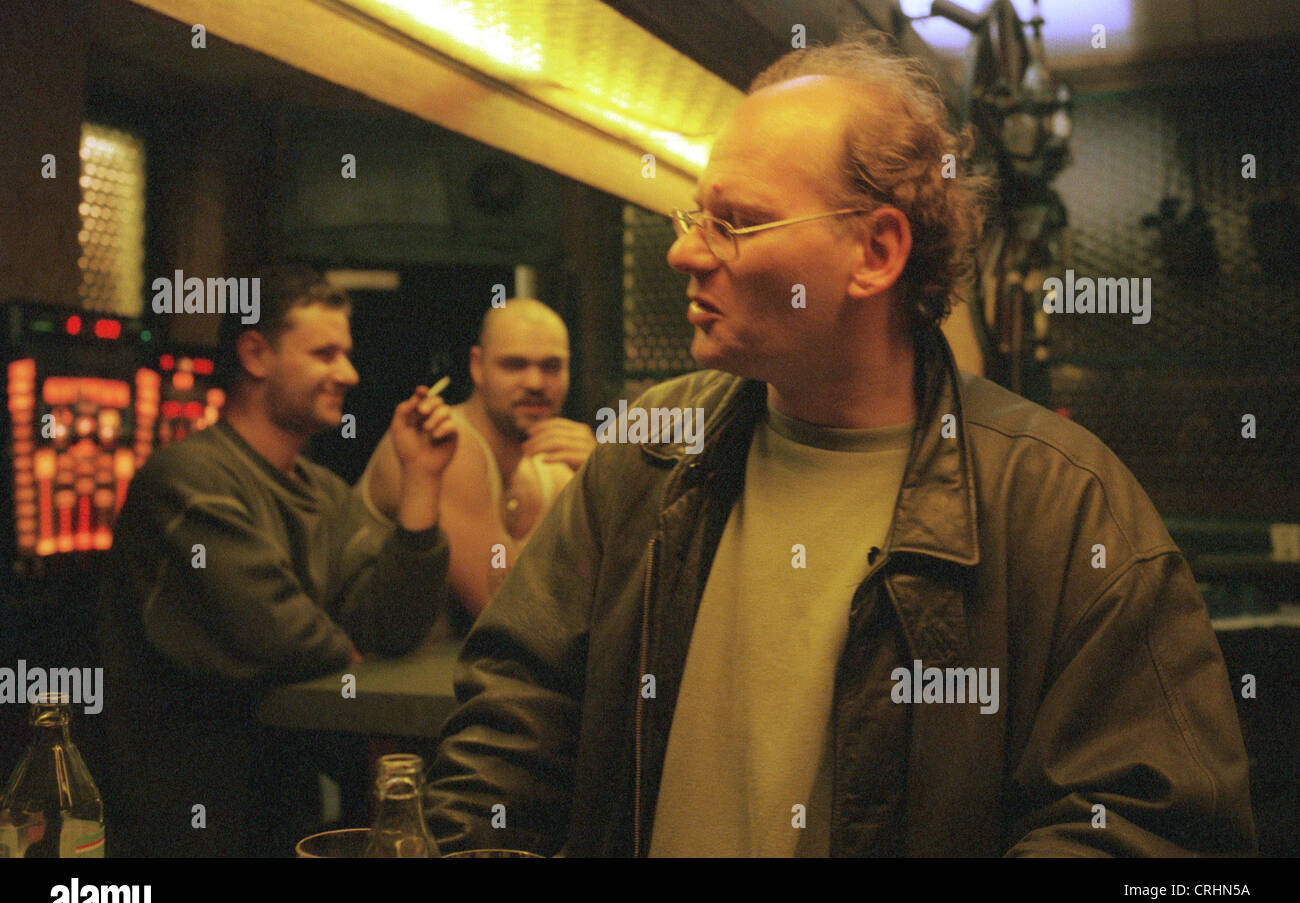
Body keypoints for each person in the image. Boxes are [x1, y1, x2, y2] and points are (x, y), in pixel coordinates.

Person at [424, 34, 1255, 857]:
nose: (684, 251)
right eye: (694, 216)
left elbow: (1159, 835)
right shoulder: (652, 446)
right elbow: (515, 717)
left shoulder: (1061, 505)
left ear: (877, 250)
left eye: (735, 223)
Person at [95, 266, 458, 857]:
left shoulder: (324, 490)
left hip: (280, 818)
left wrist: (421, 479)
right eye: (325, 353)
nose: (349, 373)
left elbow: (390, 626)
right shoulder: (188, 480)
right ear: (256, 354)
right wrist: (341, 645)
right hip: (181, 826)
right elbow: (271, 629)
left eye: (347, 354)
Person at [360, 298, 596, 630]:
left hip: (445, 676)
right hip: (363, 676)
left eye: (551, 366)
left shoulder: (553, 466)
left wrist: (605, 480)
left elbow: (614, 594)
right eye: (514, 365)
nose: (535, 383)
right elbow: (508, 614)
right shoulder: (443, 443)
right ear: (477, 366)